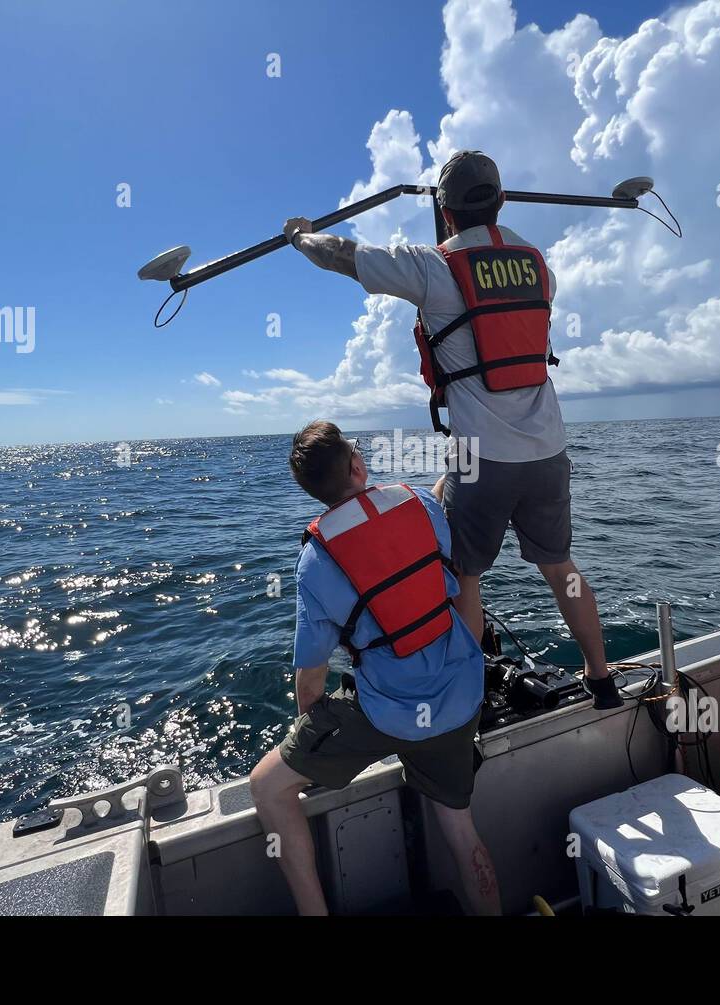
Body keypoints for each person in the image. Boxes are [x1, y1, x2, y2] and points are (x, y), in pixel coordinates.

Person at [281, 149, 621, 710]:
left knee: (463, 572)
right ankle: (600, 676)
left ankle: (467, 696)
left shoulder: (431, 267)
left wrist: (302, 237)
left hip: (482, 461)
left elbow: (345, 256)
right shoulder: (541, 268)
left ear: (444, 211)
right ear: (503, 200)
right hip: (548, 452)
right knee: (560, 567)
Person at [249, 420, 501, 915]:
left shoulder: (315, 561)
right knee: (461, 830)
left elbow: (311, 680)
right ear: (359, 466)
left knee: (267, 787)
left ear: (310, 490)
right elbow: (435, 541)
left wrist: (317, 738)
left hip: (383, 713)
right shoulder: (420, 503)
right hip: (459, 698)